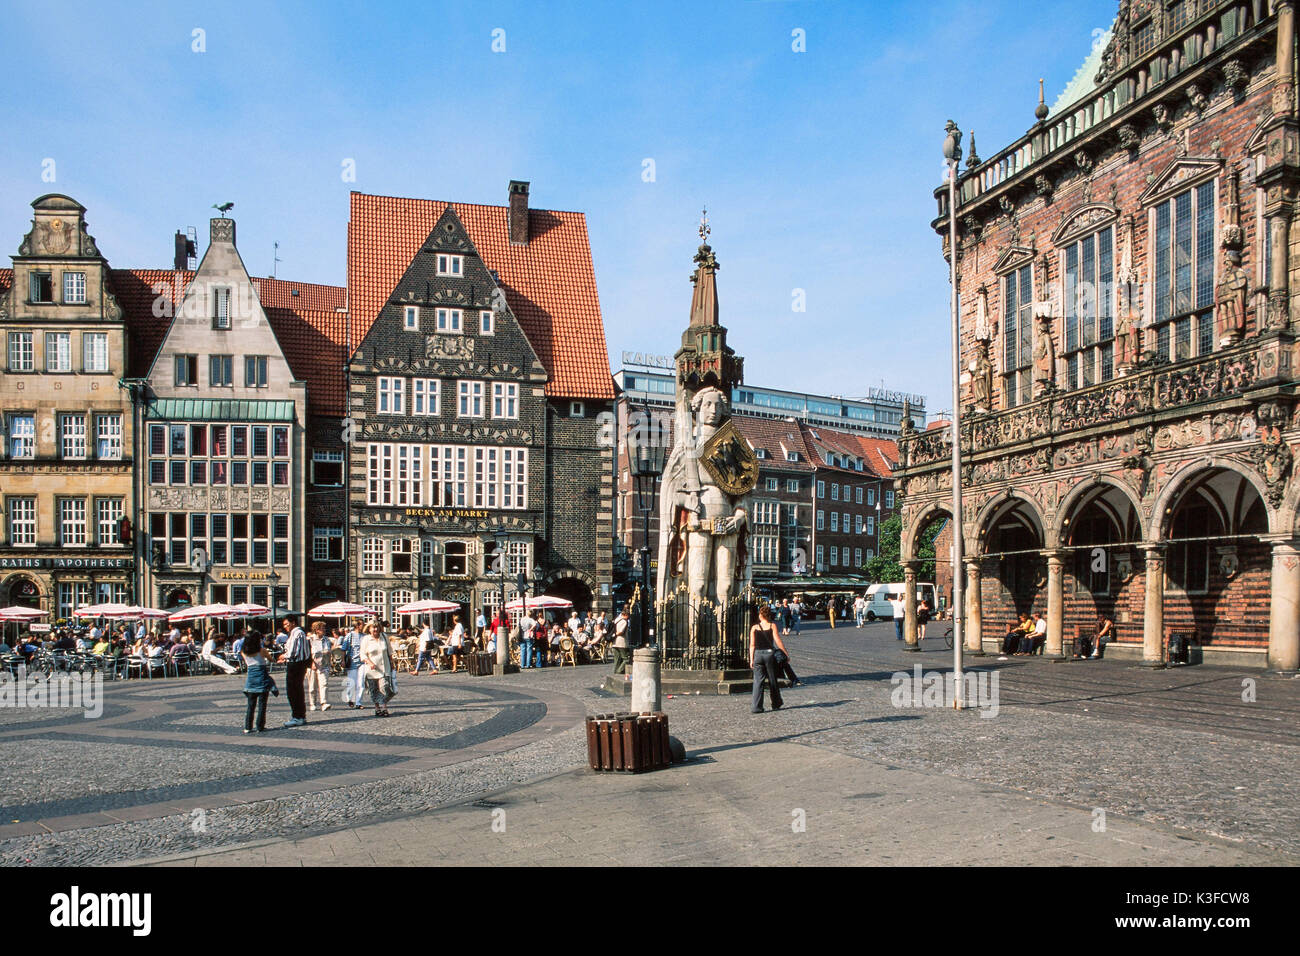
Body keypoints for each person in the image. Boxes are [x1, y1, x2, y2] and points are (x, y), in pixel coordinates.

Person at [749, 606, 789, 714]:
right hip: (769, 655)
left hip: (757, 654)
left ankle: (756, 707)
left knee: (758, 681)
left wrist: (751, 659)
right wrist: (785, 653)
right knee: (772, 679)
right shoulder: (772, 626)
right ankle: (776, 703)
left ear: (760, 615)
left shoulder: (754, 627)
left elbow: (752, 645)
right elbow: (777, 641)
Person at [279, 616, 311, 727]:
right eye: (284, 625)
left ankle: (298, 716)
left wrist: (284, 656)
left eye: (286, 624)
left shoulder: (297, 633)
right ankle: (298, 715)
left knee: (294, 691)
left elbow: (293, 652)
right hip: (296, 664)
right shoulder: (296, 633)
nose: (285, 627)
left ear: (293, 623)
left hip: (296, 665)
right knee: (295, 691)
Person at [240, 630, 274, 734]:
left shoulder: (243, 652)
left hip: (251, 680)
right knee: (262, 704)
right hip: (262, 678)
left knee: (251, 705)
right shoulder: (262, 650)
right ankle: (260, 726)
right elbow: (271, 659)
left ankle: (248, 727)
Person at [361, 622, 395, 718]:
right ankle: (377, 708)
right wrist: (369, 662)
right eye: (373, 628)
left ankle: (384, 707)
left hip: (384, 667)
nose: (375, 629)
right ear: (369, 629)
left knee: (384, 687)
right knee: (374, 689)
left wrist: (392, 662)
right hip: (371, 668)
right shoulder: (366, 639)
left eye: (376, 627)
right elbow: (362, 654)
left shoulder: (384, 637)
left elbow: (389, 650)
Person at [306, 621, 332, 711]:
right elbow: (307, 653)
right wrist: (311, 663)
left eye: (324, 628)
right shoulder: (310, 640)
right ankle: (312, 703)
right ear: (317, 630)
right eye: (322, 628)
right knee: (312, 686)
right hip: (312, 665)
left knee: (324, 684)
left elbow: (329, 652)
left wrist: (330, 663)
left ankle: (324, 703)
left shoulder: (326, 640)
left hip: (324, 665)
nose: (324, 630)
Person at [340, 623, 365, 708]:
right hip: (352, 661)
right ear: (357, 626)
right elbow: (343, 649)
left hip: (362, 662)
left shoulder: (364, 636)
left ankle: (358, 702)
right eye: (362, 624)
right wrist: (343, 660)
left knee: (361, 683)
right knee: (352, 683)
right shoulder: (349, 635)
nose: (363, 626)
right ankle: (350, 698)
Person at [611, 607, 631, 676]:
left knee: (617, 660)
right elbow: (620, 632)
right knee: (626, 658)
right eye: (629, 615)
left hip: (614, 643)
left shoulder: (616, 620)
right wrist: (616, 634)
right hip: (622, 643)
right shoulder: (624, 621)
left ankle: (616, 672)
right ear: (626, 615)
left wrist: (612, 636)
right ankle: (619, 671)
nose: (629, 617)